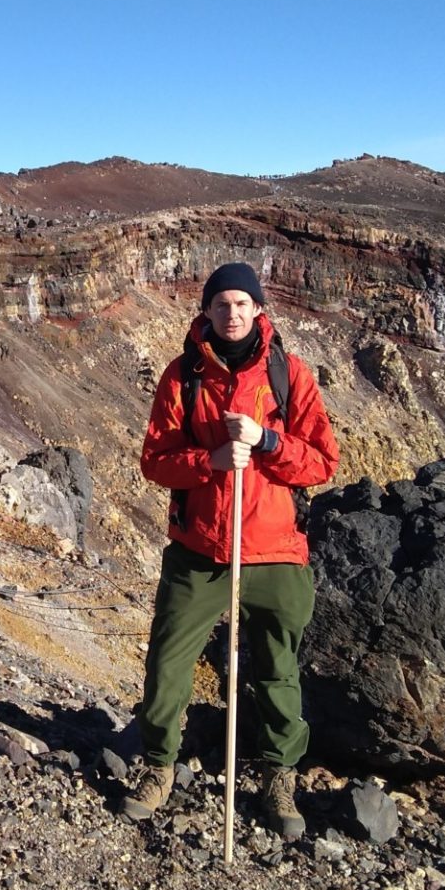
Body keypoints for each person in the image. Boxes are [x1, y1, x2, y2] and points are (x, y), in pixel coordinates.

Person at [125, 262, 339, 838]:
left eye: (242, 303)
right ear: (207, 311)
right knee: (168, 662)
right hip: (200, 547)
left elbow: (322, 461)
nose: (232, 313)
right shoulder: (183, 376)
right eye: (221, 304)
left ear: (259, 309)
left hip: (274, 549)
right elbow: (155, 461)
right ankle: (158, 765)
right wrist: (211, 461)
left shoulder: (289, 374)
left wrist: (267, 441)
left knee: (277, 669)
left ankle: (279, 776)